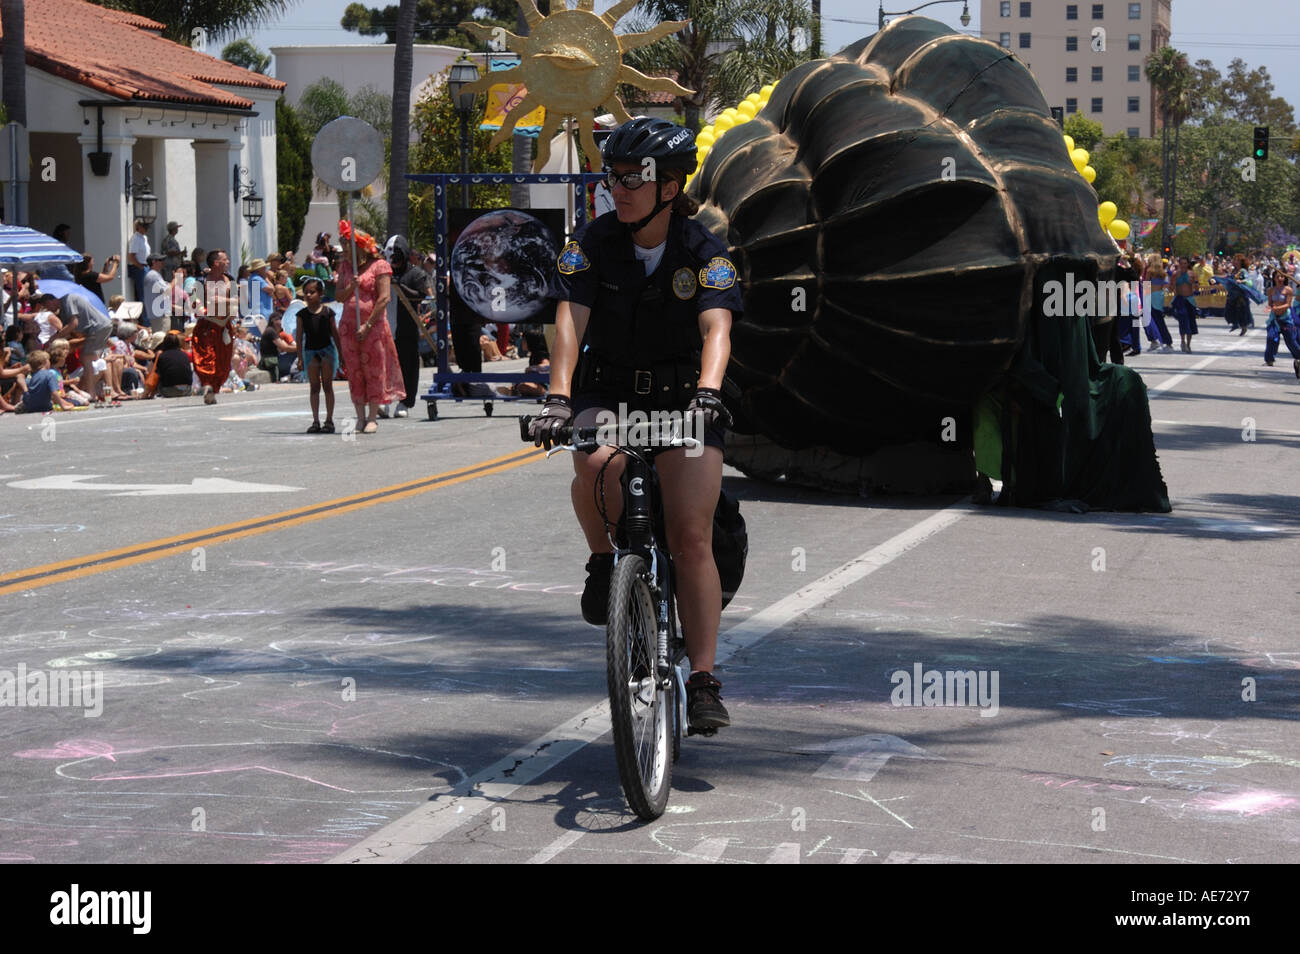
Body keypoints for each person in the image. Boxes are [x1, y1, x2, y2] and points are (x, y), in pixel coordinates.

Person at [529, 117, 741, 731]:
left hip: (684, 399)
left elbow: (716, 328)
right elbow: (570, 319)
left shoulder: (705, 249)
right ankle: (606, 562)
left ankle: (702, 679)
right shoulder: (591, 241)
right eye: (611, 177)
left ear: (669, 186)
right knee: (594, 464)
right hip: (611, 391)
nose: (615, 189)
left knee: (692, 537)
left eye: (630, 179)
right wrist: (559, 396)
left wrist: (708, 392)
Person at [335, 220, 404, 433]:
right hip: (348, 326)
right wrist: (351, 287)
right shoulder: (345, 267)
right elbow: (338, 296)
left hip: (372, 328)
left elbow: (384, 298)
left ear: (359, 245)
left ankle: (373, 416)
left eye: (347, 244)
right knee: (354, 371)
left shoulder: (380, 266)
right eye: (343, 244)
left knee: (374, 370)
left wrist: (368, 325)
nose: (344, 249)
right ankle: (360, 416)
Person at [384, 234, 428, 418]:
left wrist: (399, 286)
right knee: (385, 366)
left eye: (397, 256)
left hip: (407, 327)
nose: (394, 261)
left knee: (408, 366)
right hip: (386, 325)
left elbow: (420, 295)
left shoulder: (416, 273)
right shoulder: (384, 272)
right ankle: (384, 400)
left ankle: (405, 402)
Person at [296, 278, 342, 433]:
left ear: (320, 294)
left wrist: (341, 354)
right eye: (306, 292)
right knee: (314, 387)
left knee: (327, 386)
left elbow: (335, 334)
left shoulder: (328, 312)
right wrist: (300, 358)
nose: (308, 295)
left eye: (312, 292)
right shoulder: (301, 314)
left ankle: (329, 420)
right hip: (310, 352)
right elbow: (299, 337)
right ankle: (315, 420)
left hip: (327, 351)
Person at [195, 249, 239, 404]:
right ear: (216, 263)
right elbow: (195, 302)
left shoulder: (230, 280)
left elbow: (237, 300)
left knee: (223, 360)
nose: (227, 262)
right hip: (207, 325)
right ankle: (207, 385)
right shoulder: (201, 280)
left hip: (224, 325)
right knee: (206, 356)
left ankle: (213, 389)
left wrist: (223, 301)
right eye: (224, 260)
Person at [1263, 269, 1300, 376]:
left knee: (1291, 340)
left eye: (1282, 277)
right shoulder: (1270, 290)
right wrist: (1270, 307)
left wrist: (1277, 307)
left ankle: (1298, 356)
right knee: (1271, 337)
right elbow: (1270, 303)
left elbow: (1288, 304)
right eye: (1277, 277)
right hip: (1274, 319)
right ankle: (1269, 359)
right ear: (1274, 278)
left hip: (1286, 319)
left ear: (1285, 278)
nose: (1280, 279)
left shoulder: (1288, 290)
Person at [151, 331, 194, 398]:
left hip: (168, 390)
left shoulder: (162, 356)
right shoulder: (184, 355)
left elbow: (155, 374)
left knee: (157, 373)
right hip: (187, 389)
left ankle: (151, 393)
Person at [141, 252, 169, 330]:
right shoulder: (154, 275)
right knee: (161, 339)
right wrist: (176, 279)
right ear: (154, 262)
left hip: (157, 315)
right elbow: (167, 290)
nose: (162, 262)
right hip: (160, 316)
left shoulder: (153, 275)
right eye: (160, 260)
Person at [127, 219, 151, 302]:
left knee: (148, 293)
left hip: (145, 266)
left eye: (148, 226)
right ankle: (144, 314)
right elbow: (131, 256)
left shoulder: (144, 238)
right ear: (139, 227)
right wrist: (140, 267)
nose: (147, 228)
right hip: (138, 267)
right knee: (143, 294)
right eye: (145, 226)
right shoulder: (136, 238)